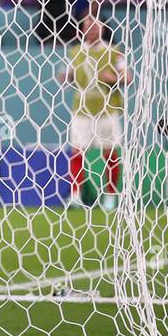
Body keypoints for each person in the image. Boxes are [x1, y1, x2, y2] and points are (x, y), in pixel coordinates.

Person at [59, 14, 131, 210]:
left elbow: (128, 78)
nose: (91, 30)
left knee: (110, 153)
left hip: (106, 110)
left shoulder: (114, 51)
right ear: (82, 30)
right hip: (81, 110)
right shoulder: (74, 52)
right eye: (87, 27)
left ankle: (110, 195)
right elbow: (66, 77)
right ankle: (75, 195)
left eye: (94, 27)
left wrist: (114, 78)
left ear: (102, 29)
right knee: (77, 152)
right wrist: (66, 77)